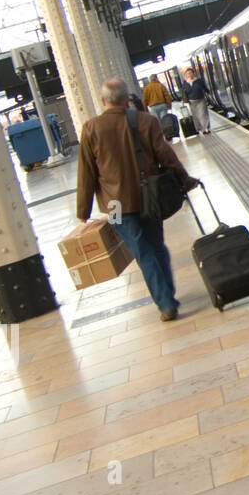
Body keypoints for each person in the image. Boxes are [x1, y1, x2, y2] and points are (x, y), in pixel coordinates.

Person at [76, 78, 197, 321]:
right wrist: (185, 179)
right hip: (149, 196)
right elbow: (166, 155)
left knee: (142, 251)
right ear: (127, 99)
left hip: (116, 205)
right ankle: (167, 295)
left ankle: (165, 303)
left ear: (103, 101)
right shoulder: (145, 121)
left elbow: (86, 171)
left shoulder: (91, 128)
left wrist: (83, 210)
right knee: (156, 246)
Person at [183, 67, 211, 134]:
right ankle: (201, 128)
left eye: (190, 73)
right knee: (196, 116)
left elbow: (205, 88)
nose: (189, 74)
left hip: (201, 100)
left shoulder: (199, 81)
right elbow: (184, 93)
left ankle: (206, 128)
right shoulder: (185, 83)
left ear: (193, 73)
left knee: (203, 114)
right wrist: (183, 101)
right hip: (192, 102)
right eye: (188, 73)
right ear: (186, 75)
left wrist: (209, 94)